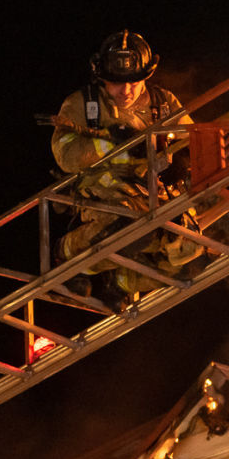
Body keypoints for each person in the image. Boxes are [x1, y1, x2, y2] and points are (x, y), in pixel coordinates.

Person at [50, 31, 198, 301]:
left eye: (134, 82)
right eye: (117, 83)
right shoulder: (82, 105)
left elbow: (194, 138)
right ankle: (68, 255)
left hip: (154, 193)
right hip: (104, 192)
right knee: (126, 225)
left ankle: (120, 282)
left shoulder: (163, 104)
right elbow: (65, 154)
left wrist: (183, 160)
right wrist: (112, 145)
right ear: (102, 77)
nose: (126, 90)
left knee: (189, 249)